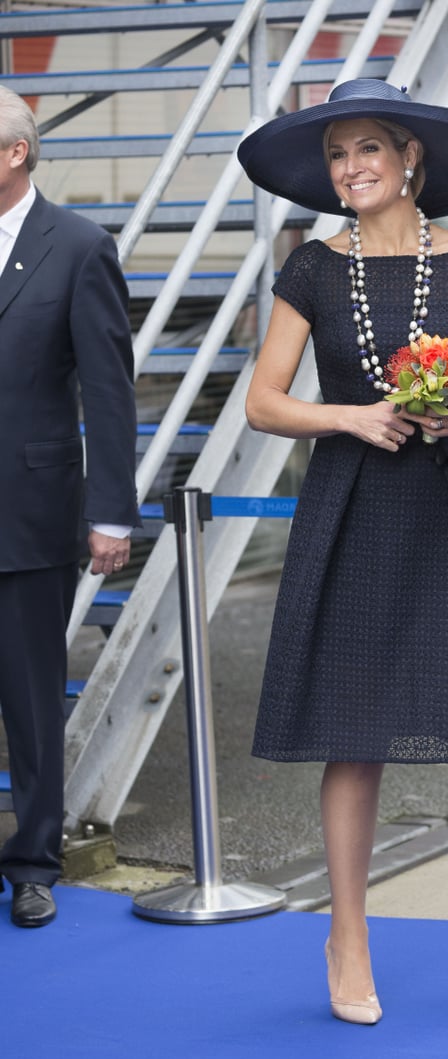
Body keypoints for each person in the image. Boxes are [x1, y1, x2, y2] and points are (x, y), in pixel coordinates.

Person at [237, 79, 448, 1025]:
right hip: (352, 508)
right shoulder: (309, 268)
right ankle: (347, 936)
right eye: (337, 155)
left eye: (367, 149)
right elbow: (264, 400)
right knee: (355, 733)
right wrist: (349, 416)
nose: (351, 169)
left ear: (410, 157)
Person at [0, 86, 139, 927]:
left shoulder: (81, 247)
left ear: (15, 152)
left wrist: (111, 513)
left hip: (30, 509)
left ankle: (32, 862)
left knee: (29, 695)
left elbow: (109, 390)